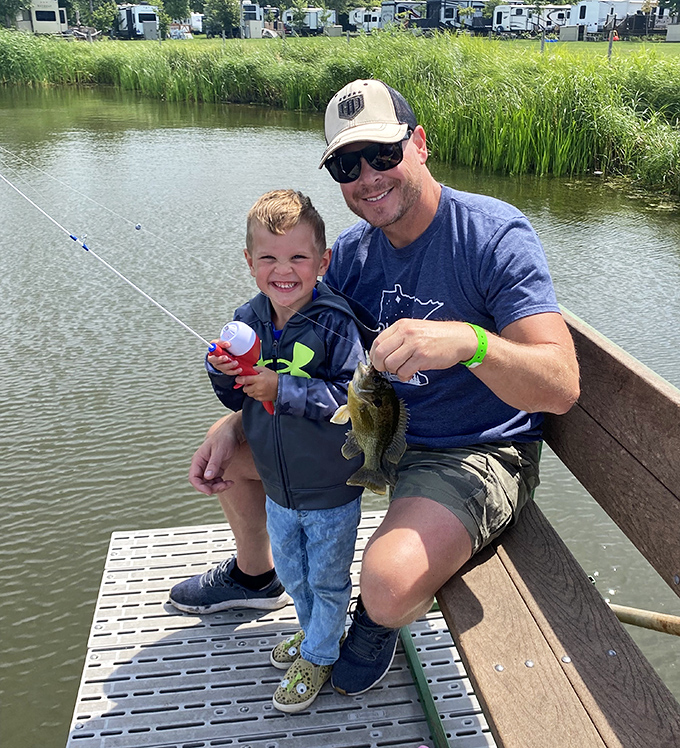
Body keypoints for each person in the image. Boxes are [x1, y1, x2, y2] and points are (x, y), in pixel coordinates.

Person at [170, 80, 580, 698]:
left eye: (383, 154)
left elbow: (561, 386)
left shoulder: (493, 235)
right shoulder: (352, 256)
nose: (367, 176)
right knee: (229, 453)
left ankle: (371, 618)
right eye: (346, 163)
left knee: (386, 586)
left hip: (468, 450)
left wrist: (469, 342)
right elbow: (314, 370)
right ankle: (257, 576)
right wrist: (235, 418)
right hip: (367, 430)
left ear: (419, 144)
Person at [172, 189, 366, 712]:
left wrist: (284, 390)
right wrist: (222, 372)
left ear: (323, 261)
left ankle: (322, 655)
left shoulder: (336, 323)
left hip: (331, 484)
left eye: (299, 257)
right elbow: (234, 397)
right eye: (269, 258)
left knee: (326, 579)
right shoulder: (248, 319)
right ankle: (312, 637)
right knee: (295, 572)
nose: (285, 270)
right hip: (278, 485)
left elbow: (354, 400)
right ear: (249, 262)